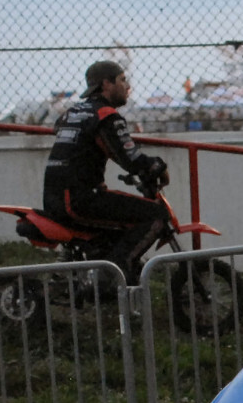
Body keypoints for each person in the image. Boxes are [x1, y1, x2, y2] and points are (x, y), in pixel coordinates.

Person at [42, 60, 171, 284]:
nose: (128, 86)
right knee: (156, 215)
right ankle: (115, 275)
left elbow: (75, 138)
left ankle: (102, 272)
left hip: (55, 196)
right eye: (122, 80)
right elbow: (130, 158)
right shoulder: (105, 115)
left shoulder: (73, 112)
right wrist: (158, 167)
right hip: (79, 199)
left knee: (119, 226)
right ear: (106, 84)